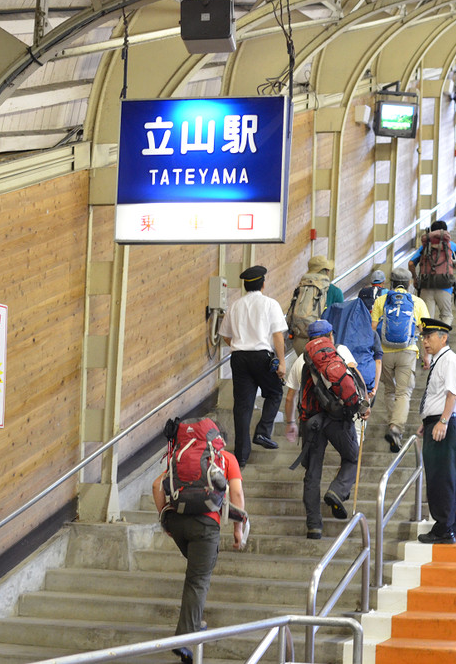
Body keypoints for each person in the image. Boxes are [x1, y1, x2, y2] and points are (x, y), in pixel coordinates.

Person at [152, 440, 245, 664]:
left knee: (197, 575)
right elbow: (237, 494)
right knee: (197, 580)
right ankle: (184, 641)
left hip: (178, 523)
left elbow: (157, 486)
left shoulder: (182, 457)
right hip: (205, 526)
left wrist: (165, 519)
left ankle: (196, 621)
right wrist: (238, 529)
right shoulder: (227, 458)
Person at [283, 319, 370, 540]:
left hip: (310, 423)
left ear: (309, 339)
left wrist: (290, 423)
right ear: (330, 335)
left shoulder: (301, 360)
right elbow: (353, 375)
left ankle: (314, 526)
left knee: (312, 475)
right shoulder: (338, 351)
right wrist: (364, 402)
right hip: (337, 420)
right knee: (352, 458)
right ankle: (337, 491)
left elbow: (291, 396)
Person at [218, 265, 287, 465]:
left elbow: (225, 337)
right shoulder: (270, 304)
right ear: (263, 284)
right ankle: (263, 432)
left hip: (239, 358)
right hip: (261, 357)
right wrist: (282, 362)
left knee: (242, 407)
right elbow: (277, 336)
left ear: (246, 285)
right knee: (274, 393)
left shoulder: (235, 305)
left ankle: (240, 456)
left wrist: (240, 346)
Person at [370, 267, 430, 452]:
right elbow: (425, 330)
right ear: (409, 284)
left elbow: (372, 328)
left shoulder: (381, 300)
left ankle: (393, 425)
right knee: (403, 392)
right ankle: (396, 428)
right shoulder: (417, 301)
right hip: (408, 351)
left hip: (384, 353)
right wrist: (426, 354)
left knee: (390, 390)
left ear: (391, 283)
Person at [416, 317, 456, 545]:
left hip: (444, 424)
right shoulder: (439, 360)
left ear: (443, 337)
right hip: (436, 423)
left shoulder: (449, 360)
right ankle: (444, 526)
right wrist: (428, 420)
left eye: (429, 337)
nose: (425, 341)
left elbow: (451, 393)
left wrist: (442, 420)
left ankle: (444, 528)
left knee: (442, 477)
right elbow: (437, 395)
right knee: (437, 476)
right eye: (424, 337)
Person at [407, 220, 456, 326]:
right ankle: (443, 340)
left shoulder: (425, 247)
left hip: (426, 286)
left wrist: (415, 278)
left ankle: (426, 341)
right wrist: (450, 266)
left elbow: (411, 263)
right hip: (445, 286)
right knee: (446, 316)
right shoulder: (451, 245)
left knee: (426, 318)